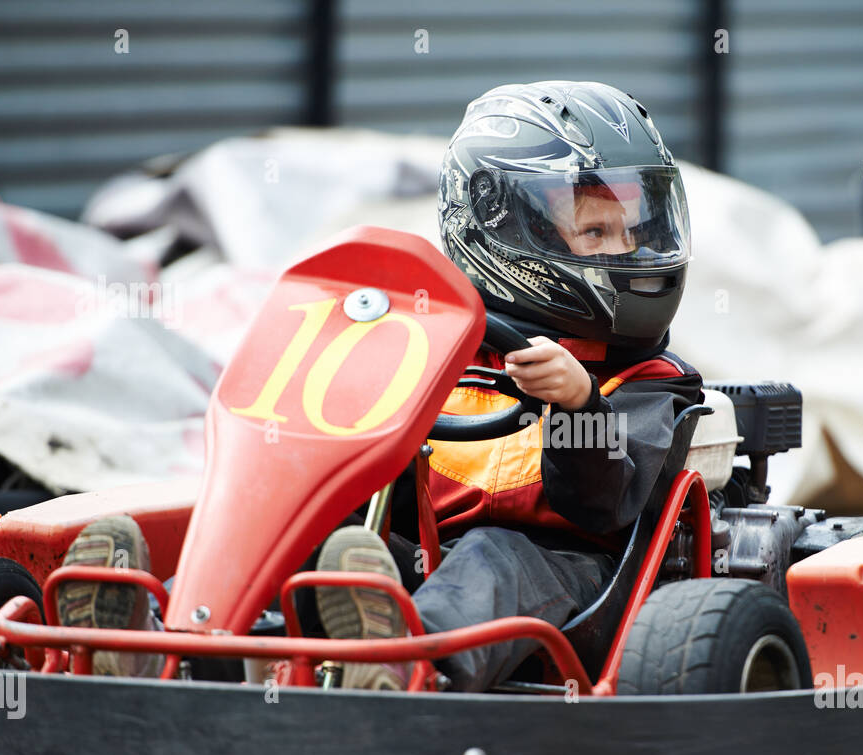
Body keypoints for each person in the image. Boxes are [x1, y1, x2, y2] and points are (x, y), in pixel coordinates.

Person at [58, 81, 704, 692]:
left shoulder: (651, 381)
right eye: (596, 232)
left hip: (569, 577)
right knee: (316, 534)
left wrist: (577, 404)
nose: (628, 252)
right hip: (420, 562)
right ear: (509, 234)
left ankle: (404, 668)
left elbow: (602, 506)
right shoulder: (440, 345)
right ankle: (168, 639)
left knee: (491, 556)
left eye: (634, 229)